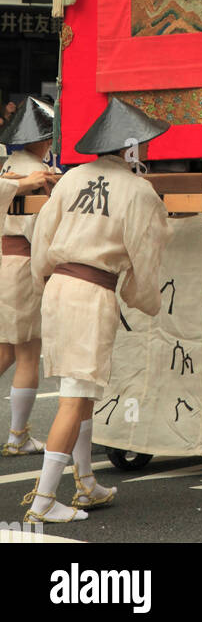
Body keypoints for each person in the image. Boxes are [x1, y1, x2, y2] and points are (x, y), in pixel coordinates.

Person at [23, 97, 170, 524]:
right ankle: (43, 499)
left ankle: (85, 481)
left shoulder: (71, 179)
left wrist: (44, 281)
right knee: (75, 394)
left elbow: (43, 236)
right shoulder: (137, 188)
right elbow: (150, 244)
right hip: (91, 290)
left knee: (81, 390)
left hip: (61, 285)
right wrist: (144, 297)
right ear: (129, 149)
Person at [0, 96, 57, 456]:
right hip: (22, 265)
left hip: (7, 263)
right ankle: (17, 435)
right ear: (41, 139)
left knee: (7, 349)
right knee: (26, 352)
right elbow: (42, 230)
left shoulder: (11, 165)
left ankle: (18, 435)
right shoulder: (33, 173)